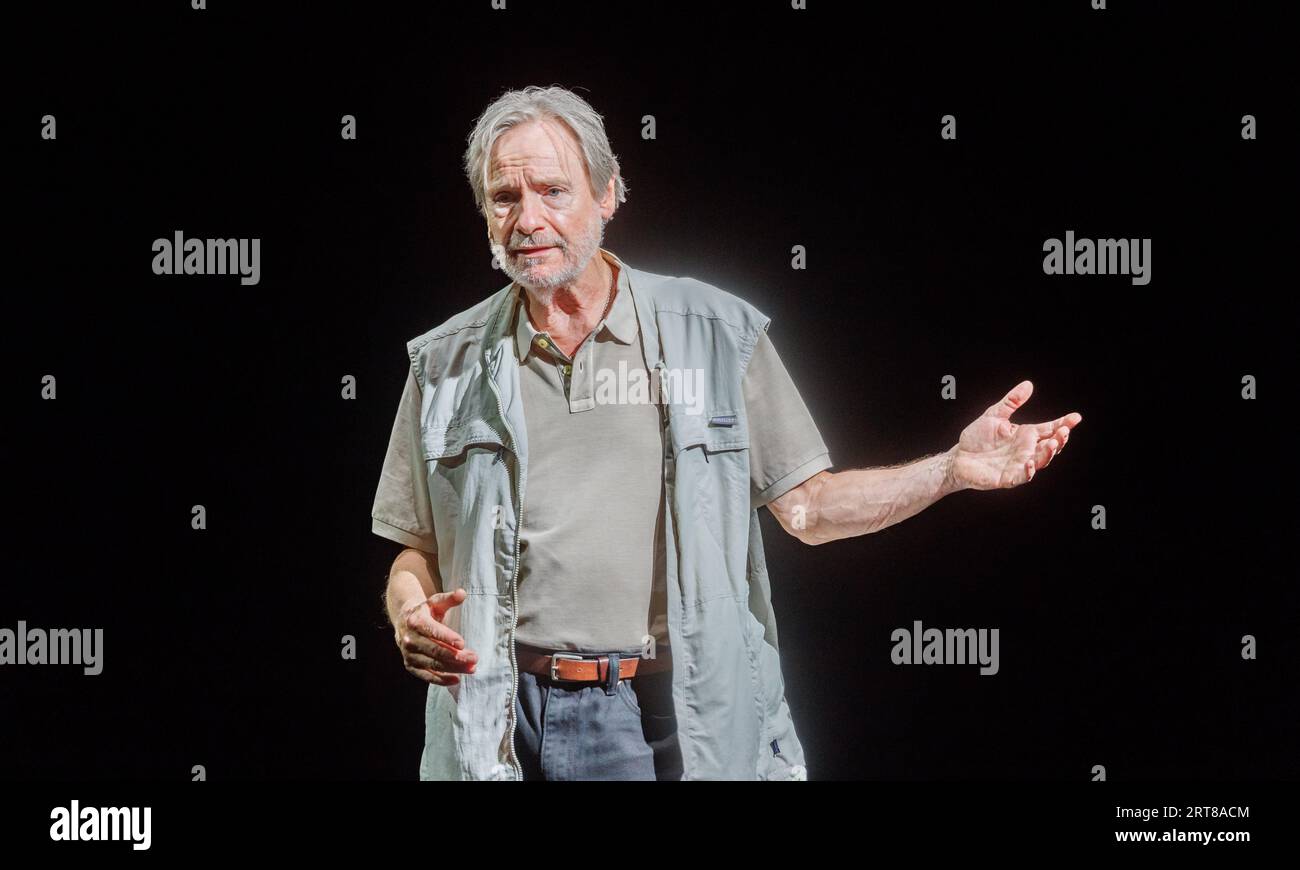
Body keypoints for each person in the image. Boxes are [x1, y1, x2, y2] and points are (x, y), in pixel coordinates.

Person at [372, 85, 1082, 781]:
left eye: (553, 191)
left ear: (608, 194)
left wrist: (952, 469)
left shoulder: (713, 334)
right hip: (495, 718)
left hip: (658, 715)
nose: (528, 218)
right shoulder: (444, 363)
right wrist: (409, 613)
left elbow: (808, 510)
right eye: (505, 198)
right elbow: (417, 548)